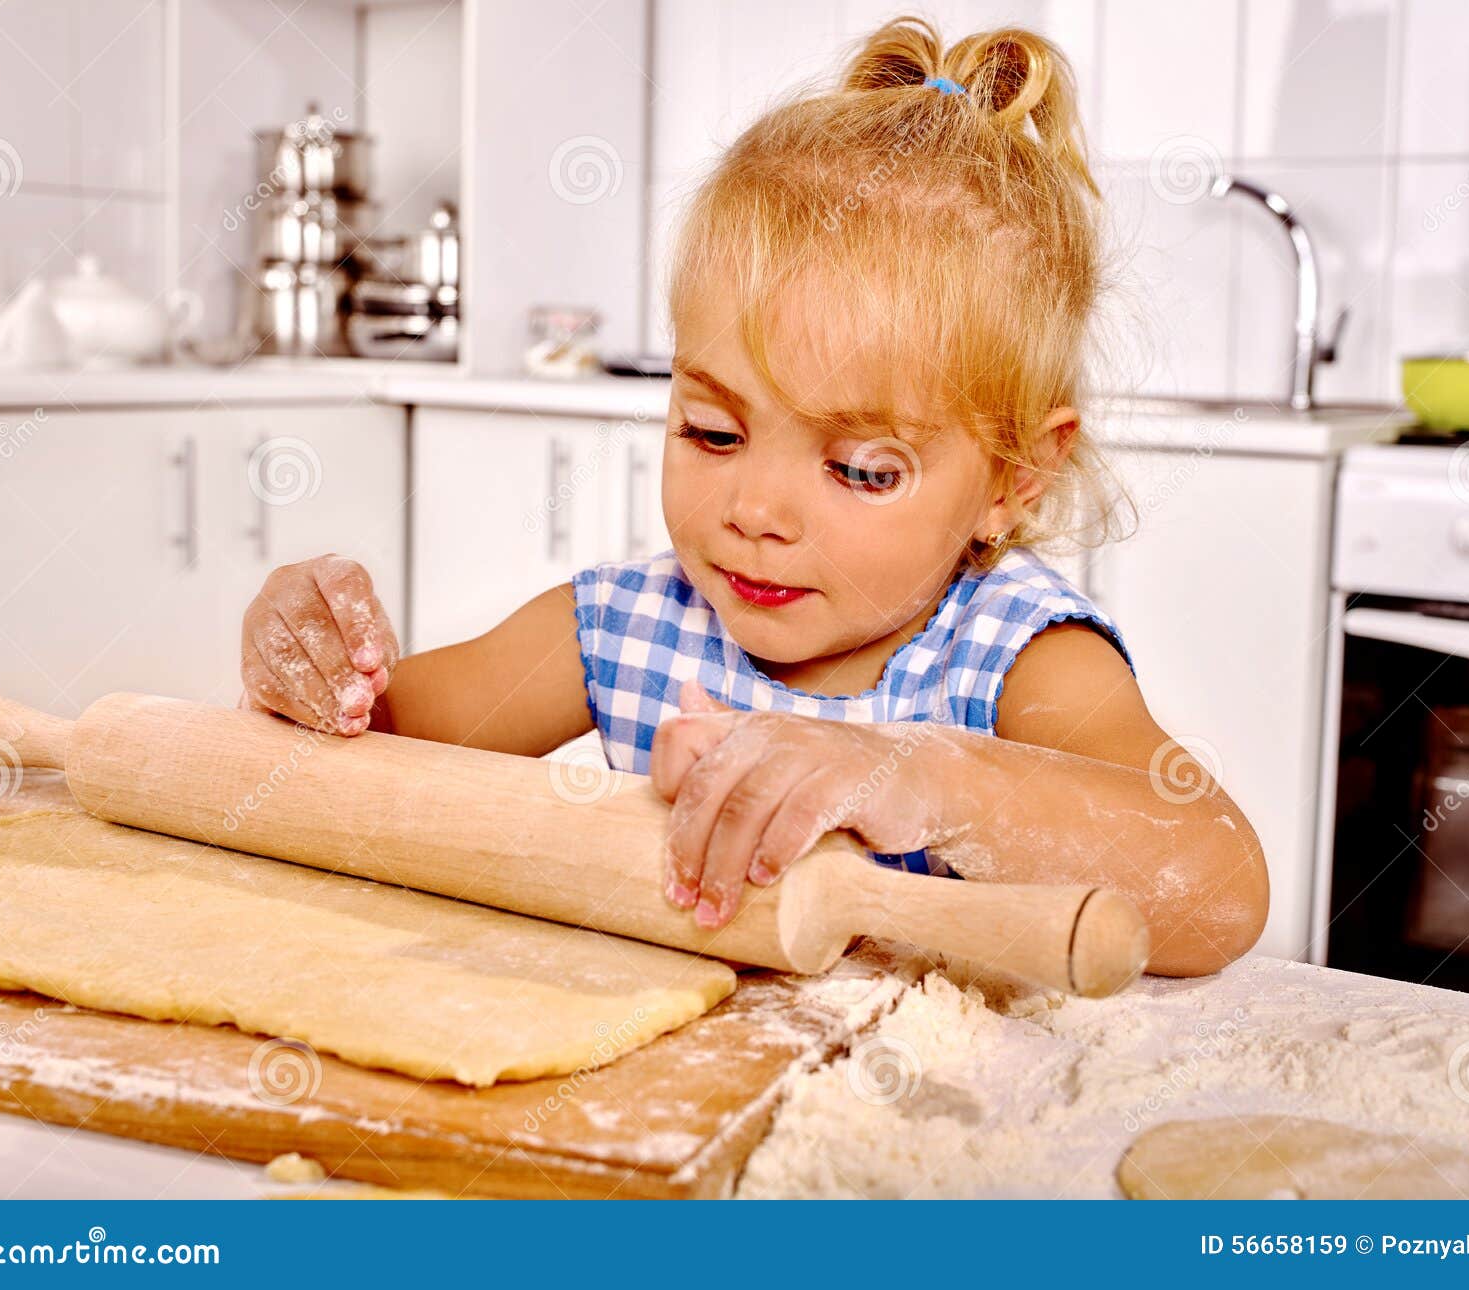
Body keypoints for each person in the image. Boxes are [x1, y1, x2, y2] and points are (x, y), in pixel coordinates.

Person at [238, 18, 1268, 977]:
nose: (756, 513)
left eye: (861, 468)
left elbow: (1220, 884)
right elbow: (364, 758)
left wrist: (919, 776)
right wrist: (316, 665)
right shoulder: (628, 629)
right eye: (713, 432)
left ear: (1010, 478)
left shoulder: (1011, 658)